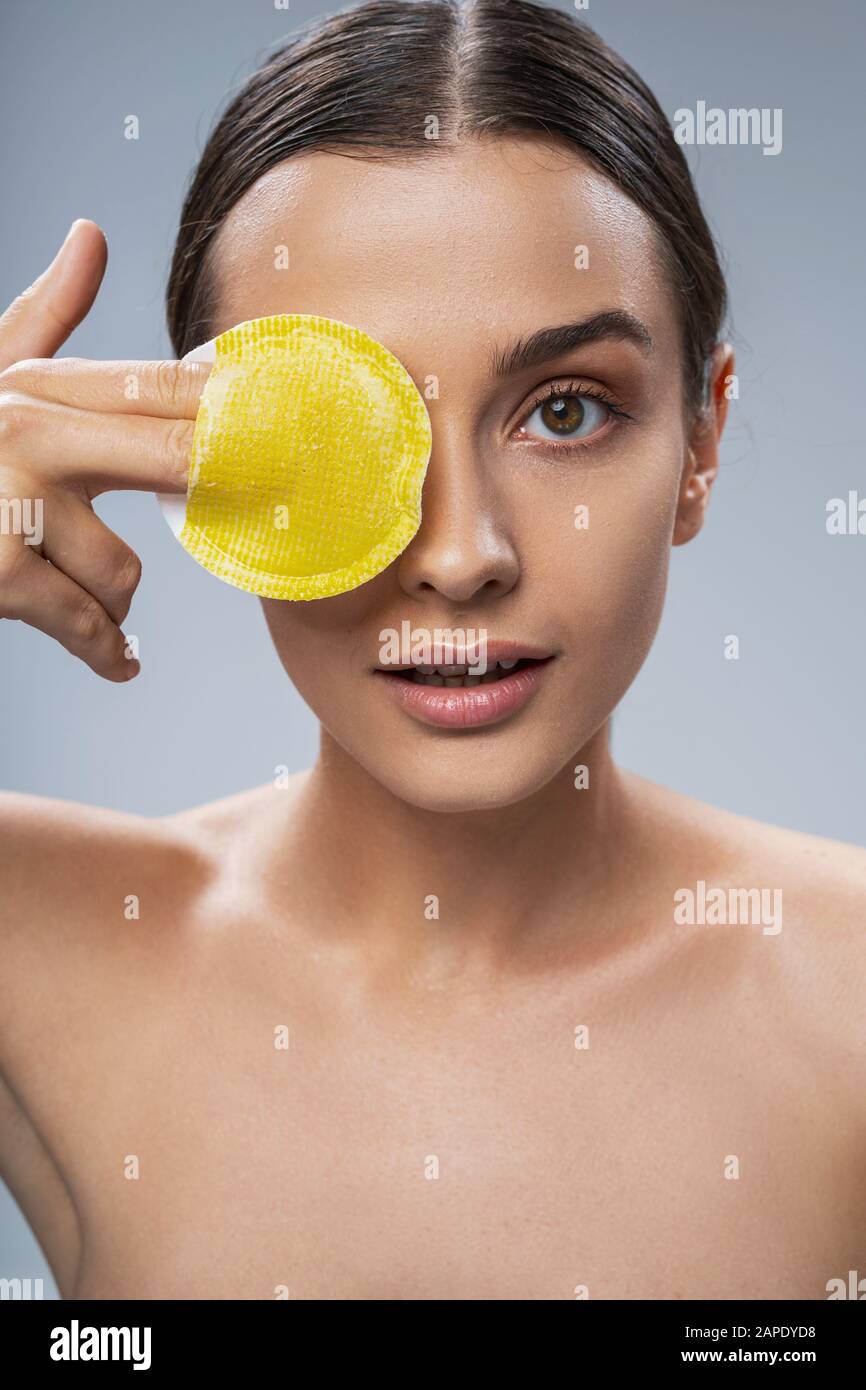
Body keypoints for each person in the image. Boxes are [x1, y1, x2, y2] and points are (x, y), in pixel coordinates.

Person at [1, 0, 863, 1301]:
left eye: (564, 410)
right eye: (329, 434)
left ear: (698, 440)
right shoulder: (37, 938)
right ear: (194, 466)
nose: (460, 554)